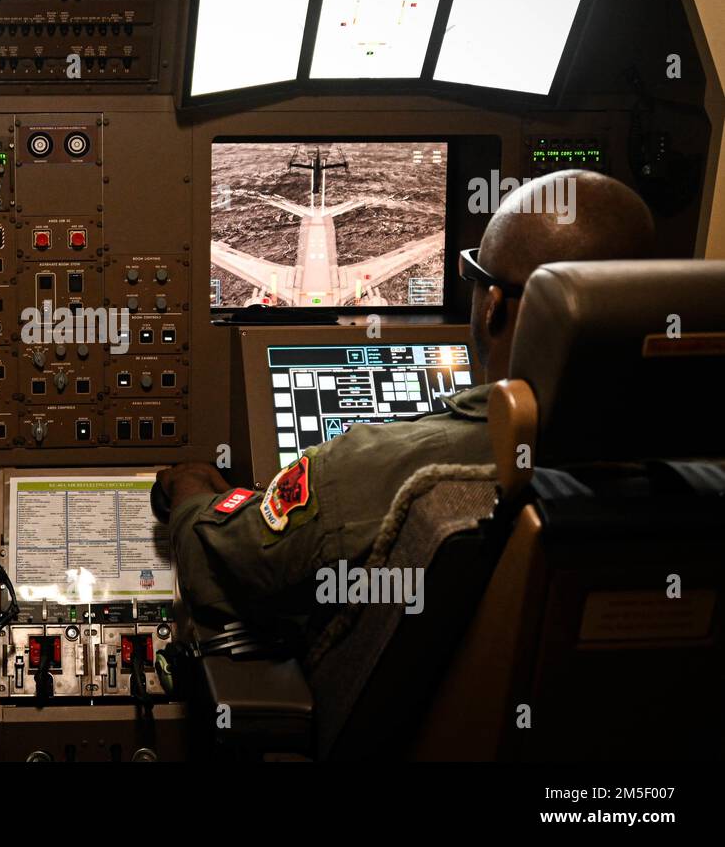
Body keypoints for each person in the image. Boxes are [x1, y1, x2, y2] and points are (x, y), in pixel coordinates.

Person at [158, 170, 657, 635]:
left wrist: (191, 491)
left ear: (493, 307)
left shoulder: (374, 474)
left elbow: (220, 567)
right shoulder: (694, 464)